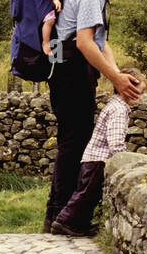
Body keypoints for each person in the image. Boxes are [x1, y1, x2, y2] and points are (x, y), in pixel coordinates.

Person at [43, 0, 147, 232]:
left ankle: (59, 217)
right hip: (71, 72)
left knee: (74, 141)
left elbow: (101, 42)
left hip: (71, 72)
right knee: (74, 143)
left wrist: (116, 74)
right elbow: (84, 42)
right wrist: (115, 79)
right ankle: (63, 218)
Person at [49, 89, 136, 236]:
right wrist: (125, 162)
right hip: (99, 158)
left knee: (89, 193)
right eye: (138, 91)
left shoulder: (115, 106)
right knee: (86, 194)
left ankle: (79, 224)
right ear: (125, 89)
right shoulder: (119, 110)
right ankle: (64, 222)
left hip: (94, 157)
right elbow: (115, 143)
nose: (140, 96)